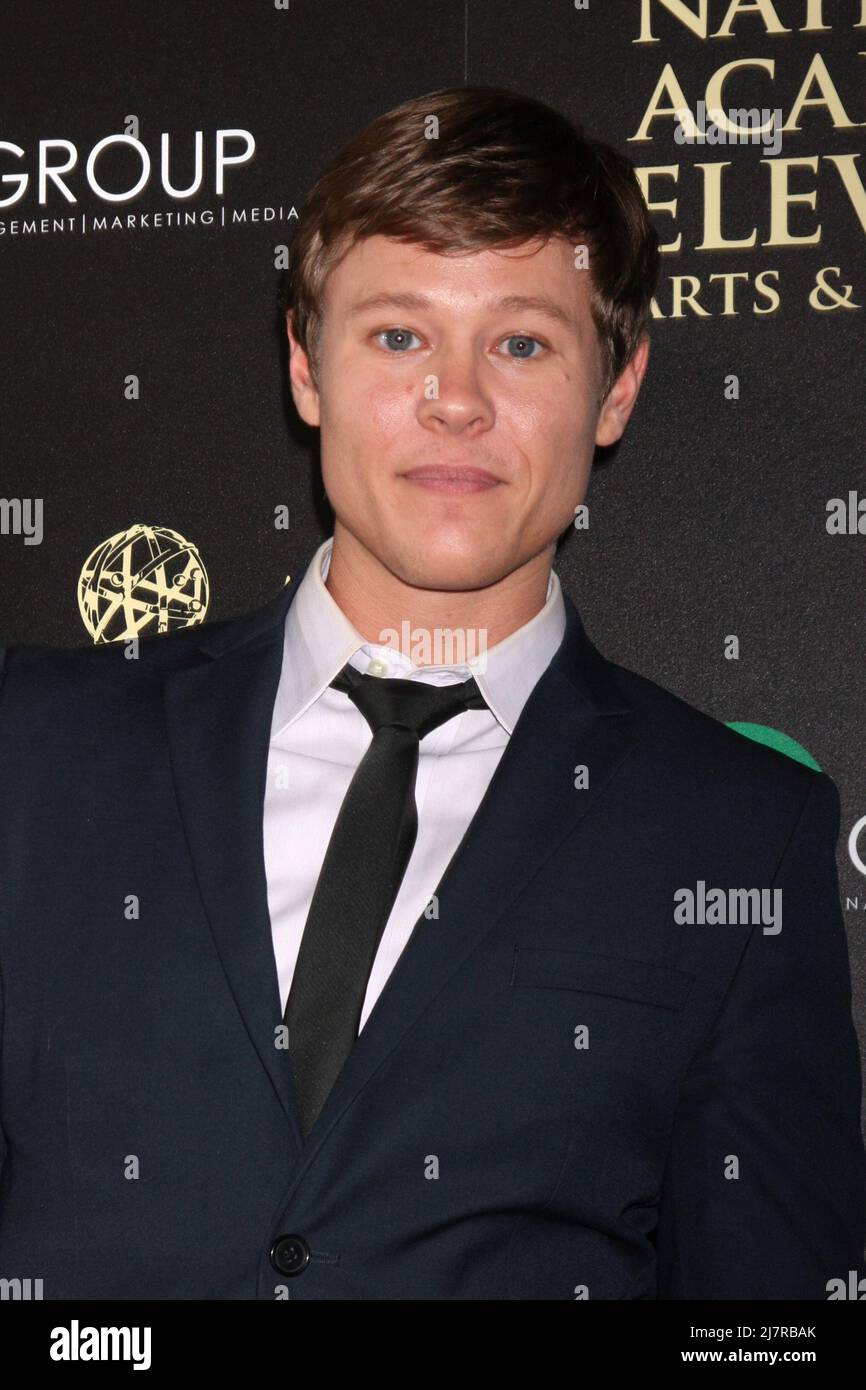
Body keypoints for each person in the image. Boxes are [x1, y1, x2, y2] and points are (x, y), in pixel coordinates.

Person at [0, 86, 863, 1301]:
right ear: (306, 367)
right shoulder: (34, 750)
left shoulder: (735, 831)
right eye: (398, 335)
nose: (454, 399)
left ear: (614, 390)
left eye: (520, 343)